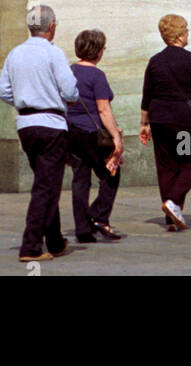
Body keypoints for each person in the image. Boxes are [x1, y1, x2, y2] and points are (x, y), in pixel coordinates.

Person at [0, 3, 79, 262]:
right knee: (46, 186)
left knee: (46, 181)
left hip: (26, 124)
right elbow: (69, 91)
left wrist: (24, 99)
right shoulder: (54, 54)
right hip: (52, 123)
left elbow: (3, 91)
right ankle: (31, 245)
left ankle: (54, 240)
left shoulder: (15, 53)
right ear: (51, 27)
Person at [139, 14, 191, 230]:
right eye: (186, 30)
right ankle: (173, 202)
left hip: (159, 121)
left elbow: (147, 95)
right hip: (182, 123)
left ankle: (172, 215)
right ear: (180, 36)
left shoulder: (155, 61)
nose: (188, 34)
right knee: (189, 162)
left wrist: (144, 124)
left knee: (167, 166)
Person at [67, 29, 124, 243]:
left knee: (80, 179)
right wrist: (116, 136)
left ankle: (82, 228)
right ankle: (98, 216)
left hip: (71, 132)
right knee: (111, 173)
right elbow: (103, 110)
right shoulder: (97, 75)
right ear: (99, 52)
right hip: (92, 135)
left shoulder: (69, 71)